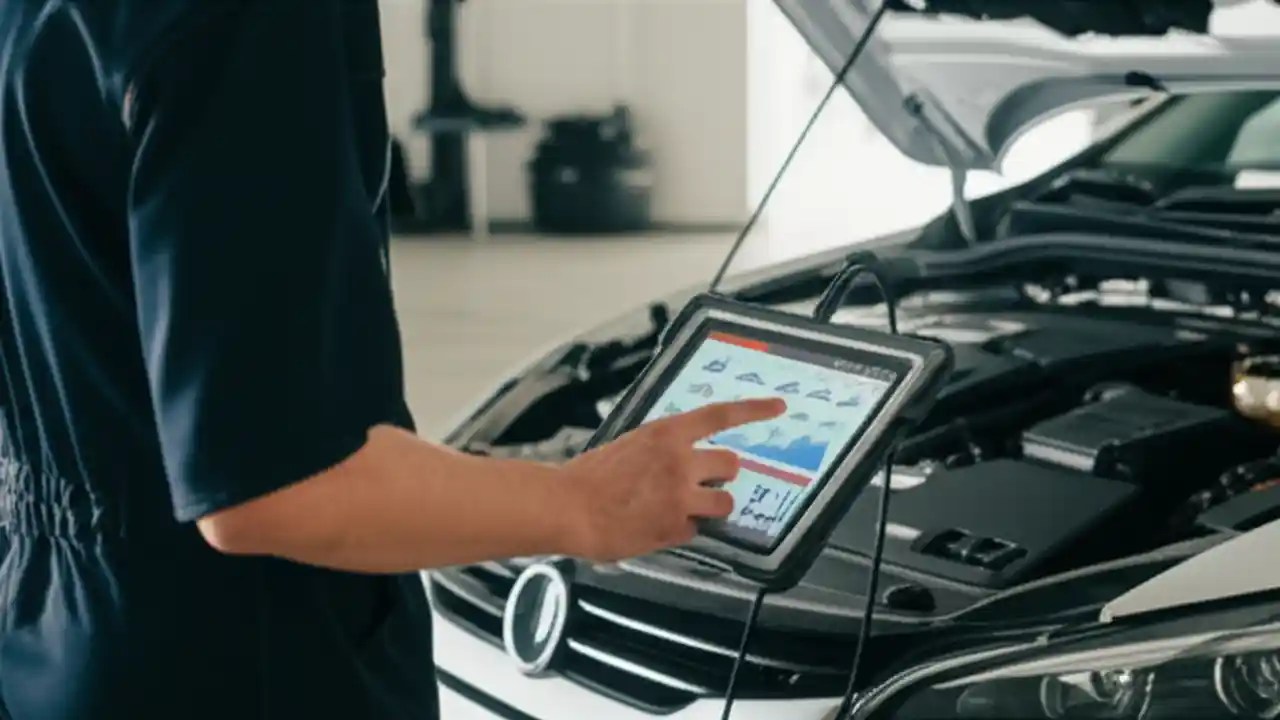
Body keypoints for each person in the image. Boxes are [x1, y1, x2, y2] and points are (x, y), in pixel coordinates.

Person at [0, 2, 784, 719]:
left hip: (57, 631)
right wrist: (581, 502)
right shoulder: (250, 23)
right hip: (236, 666)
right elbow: (272, 489)